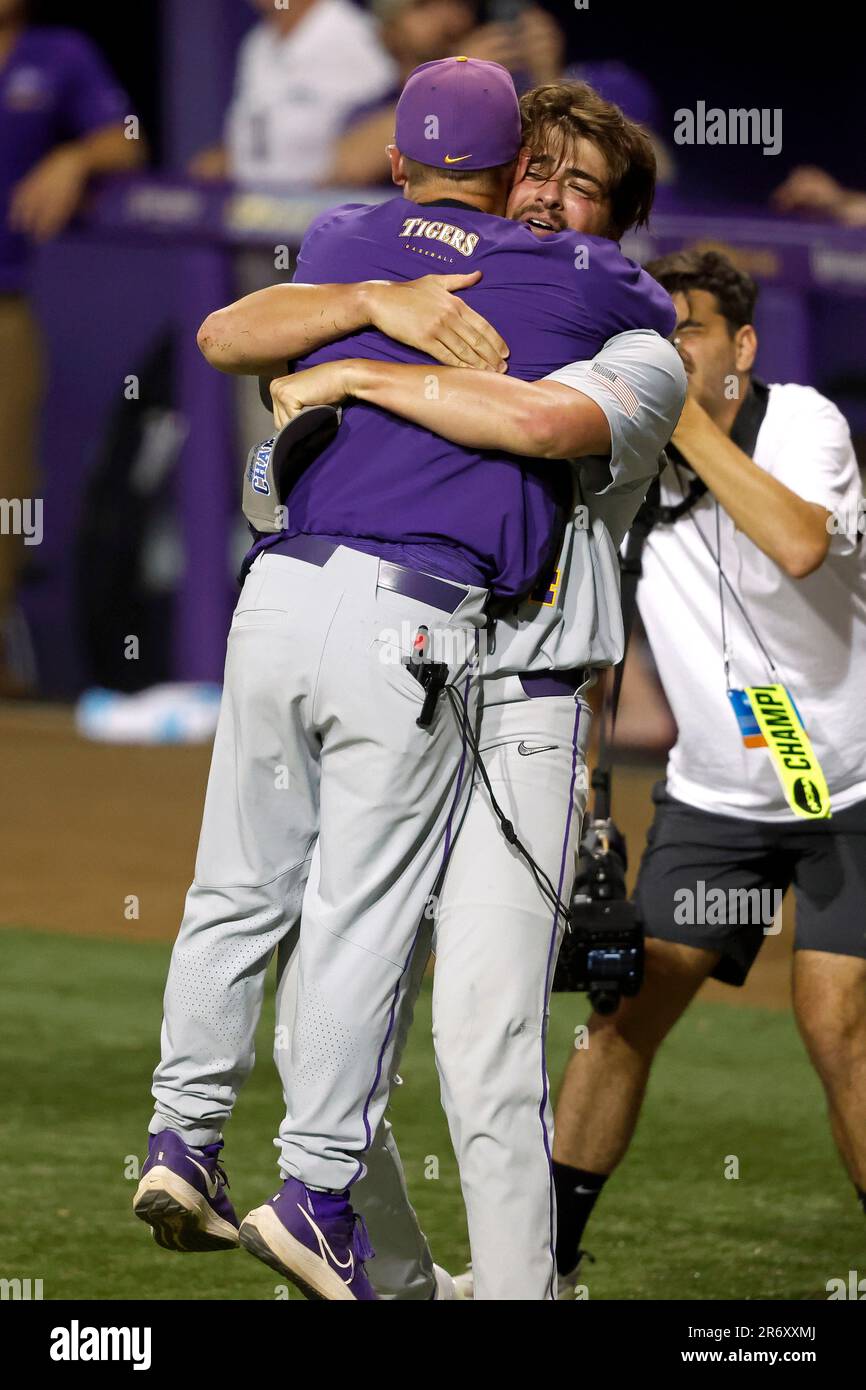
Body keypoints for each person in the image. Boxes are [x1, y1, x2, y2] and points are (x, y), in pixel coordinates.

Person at [133, 63, 675, 1301]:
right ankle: (390, 1270)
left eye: (578, 185)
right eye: (531, 167)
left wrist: (358, 362)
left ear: (619, 214)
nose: (543, 197)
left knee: (478, 1037)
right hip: (410, 648)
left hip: (522, 706)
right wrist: (375, 304)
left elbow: (526, 421)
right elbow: (233, 334)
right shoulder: (433, 271)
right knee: (326, 970)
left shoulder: (637, 348)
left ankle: (518, 1290)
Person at [547, 249, 866, 1295]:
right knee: (621, 1018)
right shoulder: (625, 459)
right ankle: (536, 1262)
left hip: (848, 793)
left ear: (741, 346)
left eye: (691, 328)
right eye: (658, 329)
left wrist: (681, 423)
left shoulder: (803, 424)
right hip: (717, 800)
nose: (673, 347)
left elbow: (798, 543)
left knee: (836, 1026)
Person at [0, 0, 143, 695]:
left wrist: (74, 154)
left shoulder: (57, 55)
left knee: (8, 490)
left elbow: (126, 140)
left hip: (5, 306)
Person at [326, 0, 564, 186]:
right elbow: (351, 166)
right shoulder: (372, 110)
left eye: (459, 3)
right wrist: (455, 80)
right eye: (425, 5)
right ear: (387, 32)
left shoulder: (506, 98)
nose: (451, 18)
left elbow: (558, 164)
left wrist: (547, 78)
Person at [187, 0, 397, 186]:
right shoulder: (257, 43)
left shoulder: (361, 38)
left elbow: (383, 138)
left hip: (325, 216)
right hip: (252, 211)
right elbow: (265, 134)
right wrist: (227, 161)